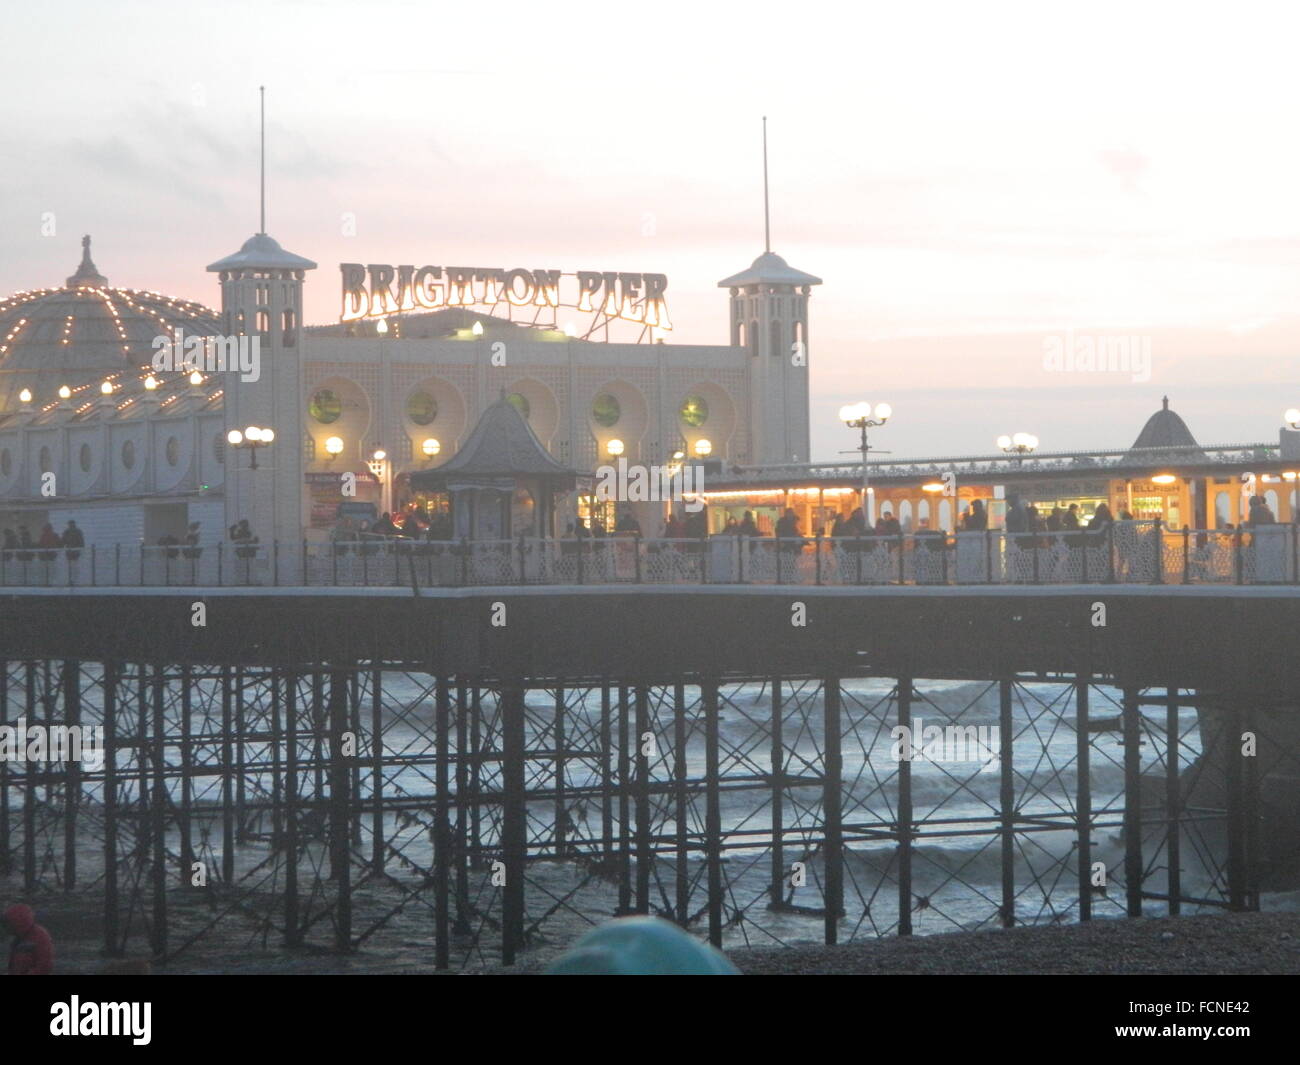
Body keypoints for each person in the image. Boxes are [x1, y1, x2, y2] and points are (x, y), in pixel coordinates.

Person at [4, 903, 53, 975]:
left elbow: (44, 965)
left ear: (18, 922)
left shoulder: (40, 936)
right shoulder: (18, 937)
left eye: (9, 923)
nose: (7, 927)